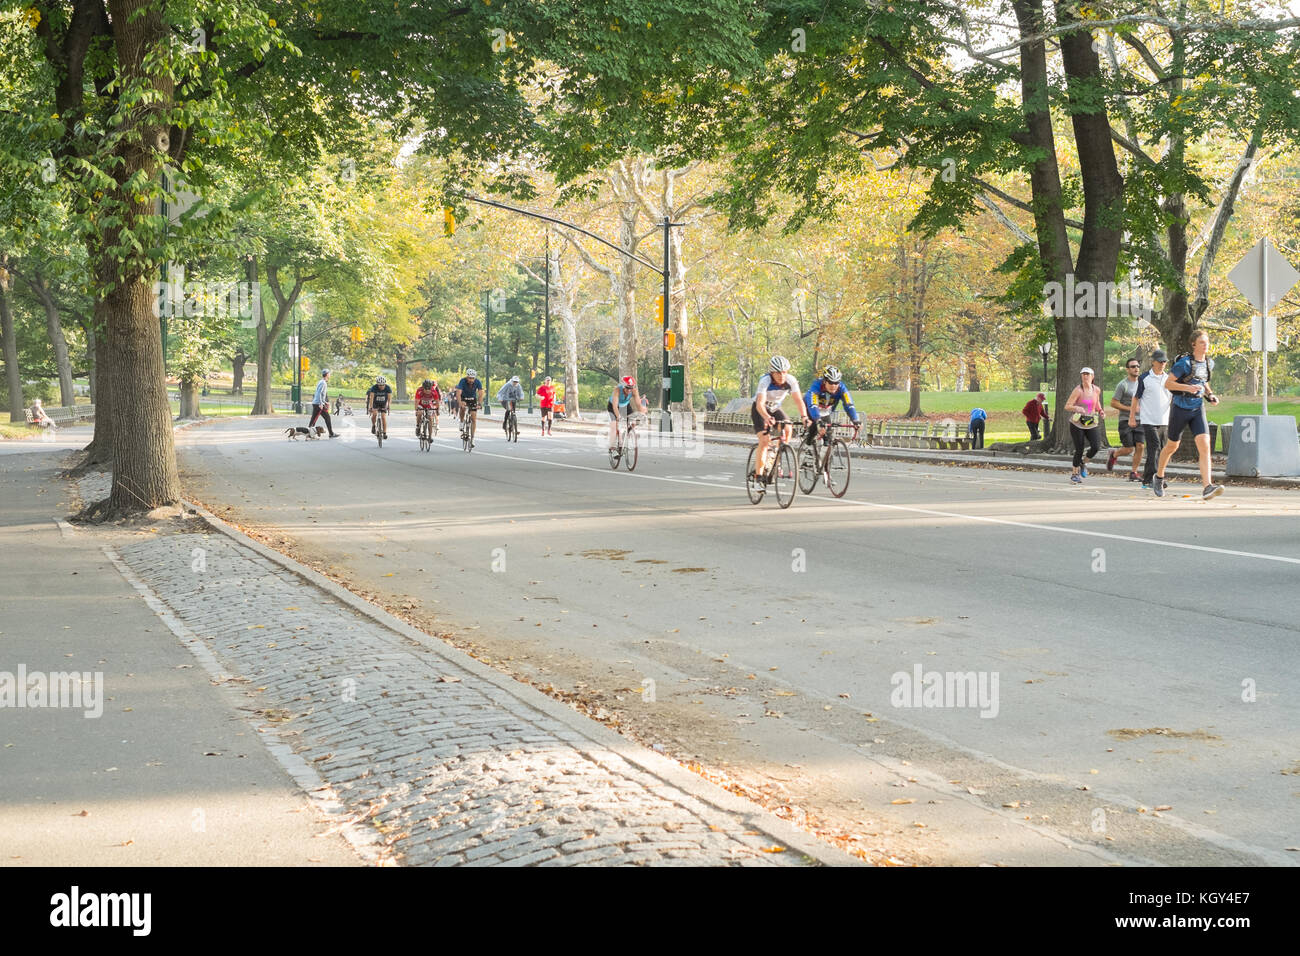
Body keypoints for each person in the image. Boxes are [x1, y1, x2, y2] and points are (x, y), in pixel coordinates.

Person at [1152, 331, 1223, 500]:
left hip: (1198, 407)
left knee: (1205, 445)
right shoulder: (1184, 363)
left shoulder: (1208, 363)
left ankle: (1207, 486)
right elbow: (1168, 383)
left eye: (1207, 342)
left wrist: (1210, 394)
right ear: (1193, 344)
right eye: (1202, 342)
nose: (1205, 345)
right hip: (1180, 407)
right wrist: (1187, 388)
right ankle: (1159, 477)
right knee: (1172, 446)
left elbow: (1202, 380)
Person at [751, 355, 809, 479]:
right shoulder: (765, 381)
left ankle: (775, 457)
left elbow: (799, 401)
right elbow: (760, 404)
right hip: (761, 410)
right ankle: (758, 476)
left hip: (775, 408)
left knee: (788, 428)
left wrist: (804, 416)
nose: (781, 376)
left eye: (784, 372)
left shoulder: (791, 380)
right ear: (772, 373)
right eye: (778, 373)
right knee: (765, 441)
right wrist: (766, 417)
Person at [1131, 350, 1171, 490]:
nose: (1162, 364)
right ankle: (1153, 479)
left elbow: (1172, 398)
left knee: (1161, 451)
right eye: (1160, 361)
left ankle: (1152, 478)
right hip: (1148, 420)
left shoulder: (1169, 378)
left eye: (1164, 361)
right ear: (1153, 361)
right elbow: (1136, 398)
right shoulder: (1144, 378)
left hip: (1164, 420)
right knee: (1154, 447)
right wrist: (1132, 418)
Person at [802, 366, 861, 445]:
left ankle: (825, 455)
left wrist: (855, 420)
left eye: (836, 382)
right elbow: (813, 405)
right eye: (830, 382)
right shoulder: (817, 386)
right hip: (810, 408)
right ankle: (808, 445)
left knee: (828, 437)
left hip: (825, 410)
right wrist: (818, 420)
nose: (833, 385)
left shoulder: (842, 388)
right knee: (814, 427)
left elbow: (849, 404)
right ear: (825, 381)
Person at [1065, 367, 1104, 483]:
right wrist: (1076, 407)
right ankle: (1074, 474)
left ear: (1093, 376)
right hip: (1077, 423)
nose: (1085, 376)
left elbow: (1096, 403)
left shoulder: (1096, 390)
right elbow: (1067, 406)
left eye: (1087, 374)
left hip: (1091, 422)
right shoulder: (1078, 390)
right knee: (1079, 448)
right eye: (1083, 374)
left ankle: (1084, 462)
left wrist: (1101, 411)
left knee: (1096, 446)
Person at [1107, 358, 1143, 480]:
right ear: (1127, 369)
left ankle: (1134, 472)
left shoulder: (1143, 383)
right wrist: (1131, 409)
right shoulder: (1123, 385)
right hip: (1125, 420)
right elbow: (1113, 403)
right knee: (1129, 449)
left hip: (1141, 420)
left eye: (1137, 366)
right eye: (1133, 366)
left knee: (1140, 446)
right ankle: (1114, 454)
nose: (1136, 368)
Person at [608, 375, 648, 451]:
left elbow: (638, 405)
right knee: (614, 425)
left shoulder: (634, 391)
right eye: (627, 388)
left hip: (625, 406)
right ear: (623, 386)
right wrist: (618, 417)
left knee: (634, 419)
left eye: (631, 388)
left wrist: (642, 414)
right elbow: (615, 407)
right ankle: (613, 445)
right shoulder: (617, 390)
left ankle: (628, 431)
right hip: (613, 406)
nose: (629, 390)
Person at [452, 369, 484, 446]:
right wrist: (460, 403)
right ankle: (462, 422)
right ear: (467, 377)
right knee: (462, 408)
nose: (471, 380)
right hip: (463, 398)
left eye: (473, 378)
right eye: (470, 378)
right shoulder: (462, 381)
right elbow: (458, 393)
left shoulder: (477, 382)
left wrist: (479, 403)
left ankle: (472, 438)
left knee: (473, 418)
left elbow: (480, 393)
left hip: (472, 399)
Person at [309, 369, 338, 438]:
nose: (330, 375)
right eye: (329, 373)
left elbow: (321, 394)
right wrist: (321, 403)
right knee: (314, 420)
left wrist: (324, 402)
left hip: (320, 403)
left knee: (327, 418)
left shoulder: (322, 382)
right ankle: (309, 433)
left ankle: (331, 433)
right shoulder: (323, 383)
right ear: (327, 374)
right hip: (318, 404)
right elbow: (319, 393)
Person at [366, 375, 393, 439]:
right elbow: (371, 398)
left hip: (383, 403)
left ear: (385, 384)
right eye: (379, 385)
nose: (381, 386)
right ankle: (373, 425)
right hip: (375, 403)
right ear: (377, 384)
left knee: (383, 417)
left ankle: (384, 432)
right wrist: (371, 407)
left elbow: (389, 399)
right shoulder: (374, 388)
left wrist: (388, 406)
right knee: (374, 414)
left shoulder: (388, 388)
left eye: (383, 385)